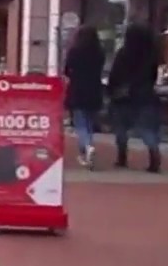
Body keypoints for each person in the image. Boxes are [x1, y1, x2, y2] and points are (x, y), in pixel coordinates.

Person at [107, 23, 161, 172]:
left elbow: (114, 74)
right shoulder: (151, 55)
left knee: (121, 128)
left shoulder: (123, 53)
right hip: (145, 95)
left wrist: (112, 90)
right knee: (146, 128)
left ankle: (122, 157)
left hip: (123, 97)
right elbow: (153, 76)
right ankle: (154, 154)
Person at [63, 25, 105, 169]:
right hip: (94, 90)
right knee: (89, 123)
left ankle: (87, 147)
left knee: (80, 124)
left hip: (77, 90)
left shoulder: (74, 51)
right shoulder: (99, 52)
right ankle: (88, 148)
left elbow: (67, 70)